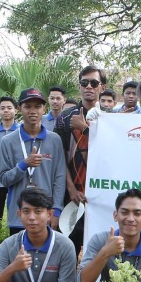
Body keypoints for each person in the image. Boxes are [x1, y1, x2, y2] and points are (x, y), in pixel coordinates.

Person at [0, 88, 65, 231]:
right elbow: (4, 179)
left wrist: (57, 210)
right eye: (28, 106)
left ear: (44, 109)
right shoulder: (7, 141)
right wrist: (23, 165)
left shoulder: (54, 140)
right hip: (18, 216)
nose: (33, 111)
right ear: (19, 108)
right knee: (20, 253)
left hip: (45, 215)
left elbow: (59, 177)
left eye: (37, 106)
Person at [55, 65, 106, 249]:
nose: (89, 87)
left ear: (102, 87)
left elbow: (114, 153)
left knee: (101, 252)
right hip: (72, 198)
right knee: (68, 249)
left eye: (94, 83)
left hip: (102, 198)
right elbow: (58, 159)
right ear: (79, 87)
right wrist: (71, 190)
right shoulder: (65, 118)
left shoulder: (112, 119)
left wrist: (86, 128)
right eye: (84, 83)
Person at [0, 95, 18, 226]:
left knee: (16, 211)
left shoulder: (21, 131)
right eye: (2, 108)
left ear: (16, 110)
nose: (6, 111)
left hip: (17, 177)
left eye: (9, 108)